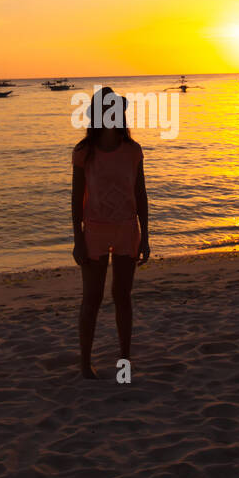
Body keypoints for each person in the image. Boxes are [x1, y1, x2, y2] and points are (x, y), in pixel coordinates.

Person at [72, 87, 150, 379]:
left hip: (127, 229)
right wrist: (77, 239)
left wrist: (146, 235)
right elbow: (76, 198)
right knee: (91, 298)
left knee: (122, 297)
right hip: (93, 232)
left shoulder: (132, 150)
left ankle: (125, 360)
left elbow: (140, 193)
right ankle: (84, 363)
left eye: (115, 108)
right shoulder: (83, 152)